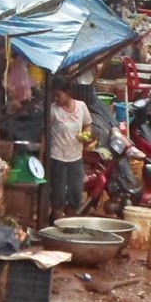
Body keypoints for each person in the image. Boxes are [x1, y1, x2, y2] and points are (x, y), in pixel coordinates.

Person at [46, 80, 92, 220]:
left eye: (58, 95)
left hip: (75, 157)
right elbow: (44, 133)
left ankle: (69, 224)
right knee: (58, 195)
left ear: (68, 93)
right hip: (57, 157)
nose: (56, 99)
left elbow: (87, 125)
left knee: (75, 193)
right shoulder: (53, 111)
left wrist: (86, 135)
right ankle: (59, 226)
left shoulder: (81, 107)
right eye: (54, 96)